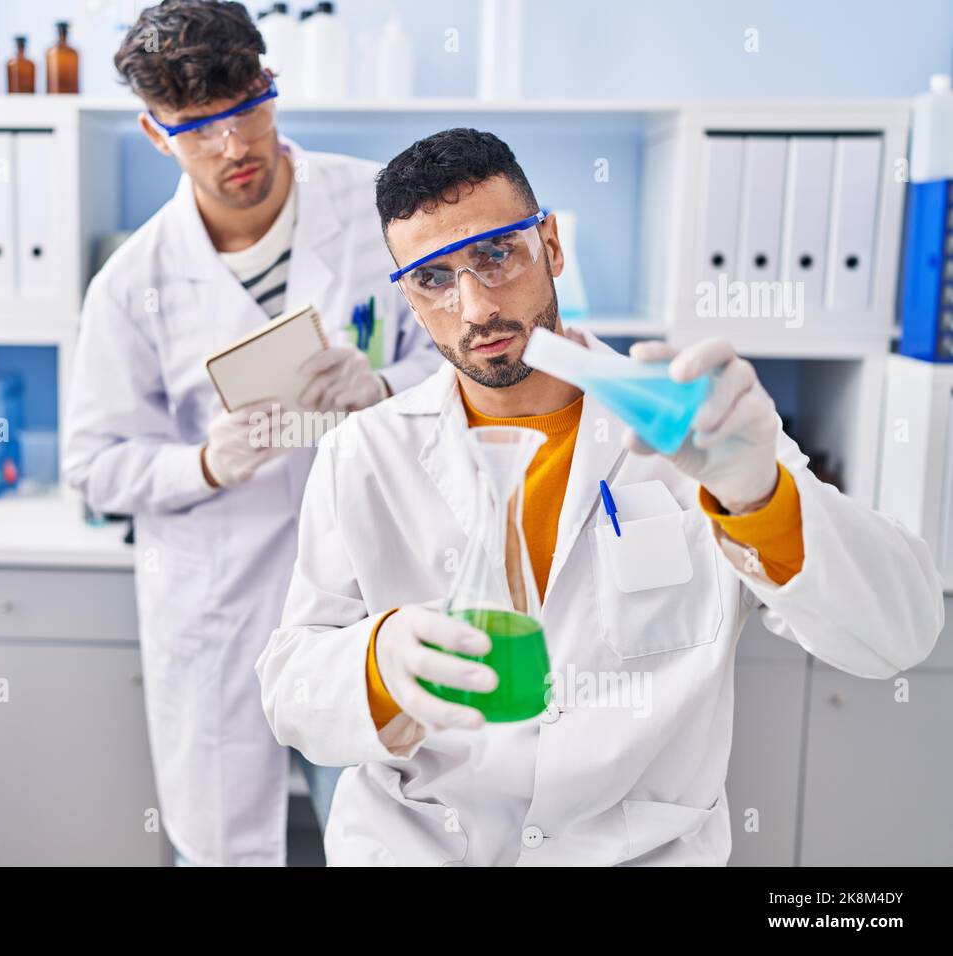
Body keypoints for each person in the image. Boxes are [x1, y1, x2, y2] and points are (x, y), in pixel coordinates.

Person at [256, 127, 944, 866]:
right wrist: (377, 662)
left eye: (496, 254)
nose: (475, 306)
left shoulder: (697, 430)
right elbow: (290, 687)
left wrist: (756, 495)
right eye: (432, 279)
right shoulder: (366, 451)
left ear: (549, 245)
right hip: (420, 848)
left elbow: (899, 633)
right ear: (408, 299)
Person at [61, 1, 441, 867]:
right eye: (199, 130)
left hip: (372, 582)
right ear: (157, 136)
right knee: (228, 846)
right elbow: (94, 463)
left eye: (247, 111)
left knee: (391, 832)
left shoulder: (381, 205)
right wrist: (204, 462)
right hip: (220, 600)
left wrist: (383, 385)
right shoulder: (132, 282)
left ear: (270, 87)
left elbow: (471, 363)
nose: (235, 148)